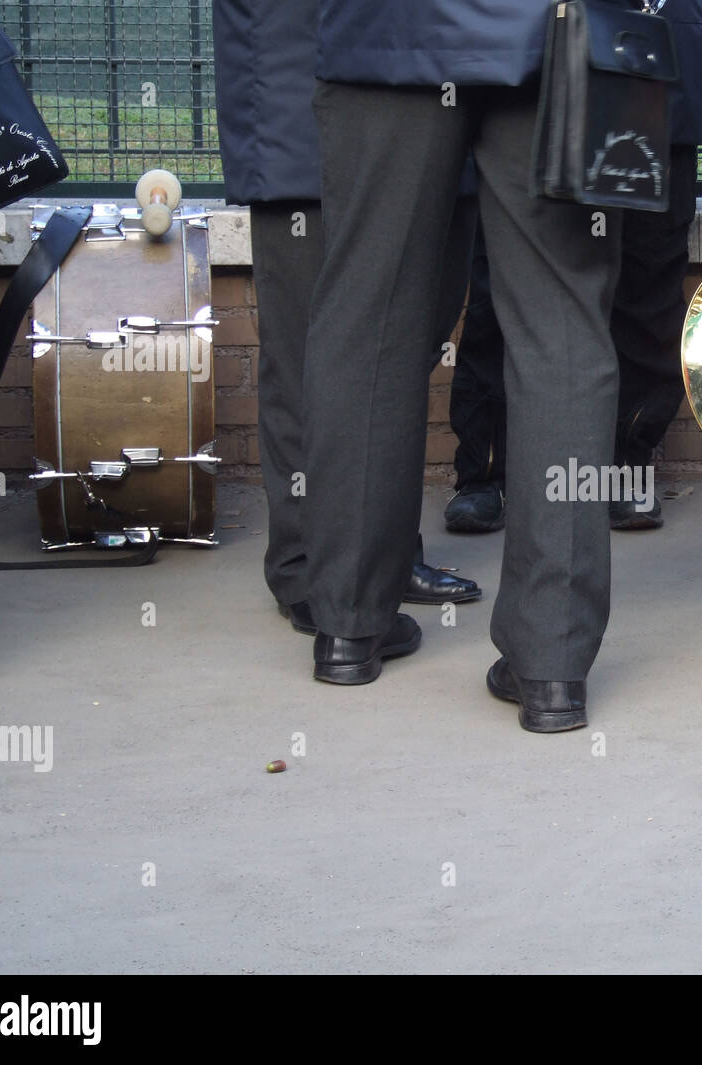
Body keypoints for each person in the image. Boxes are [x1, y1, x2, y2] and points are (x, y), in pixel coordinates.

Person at [302, 0, 627, 731]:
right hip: (553, 32)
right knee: (563, 328)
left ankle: (349, 627)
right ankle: (553, 664)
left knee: (366, 319)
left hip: (386, 35)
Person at [211, 0, 481, 638]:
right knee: (315, 350)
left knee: (403, 344)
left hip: (428, 82)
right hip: (295, 89)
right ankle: (311, 566)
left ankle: (376, 559)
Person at [442, 0, 702, 535]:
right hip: (532, 63)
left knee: (649, 279)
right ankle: (485, 471)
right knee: (503, 281)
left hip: (653, 53)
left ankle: (627, 463)